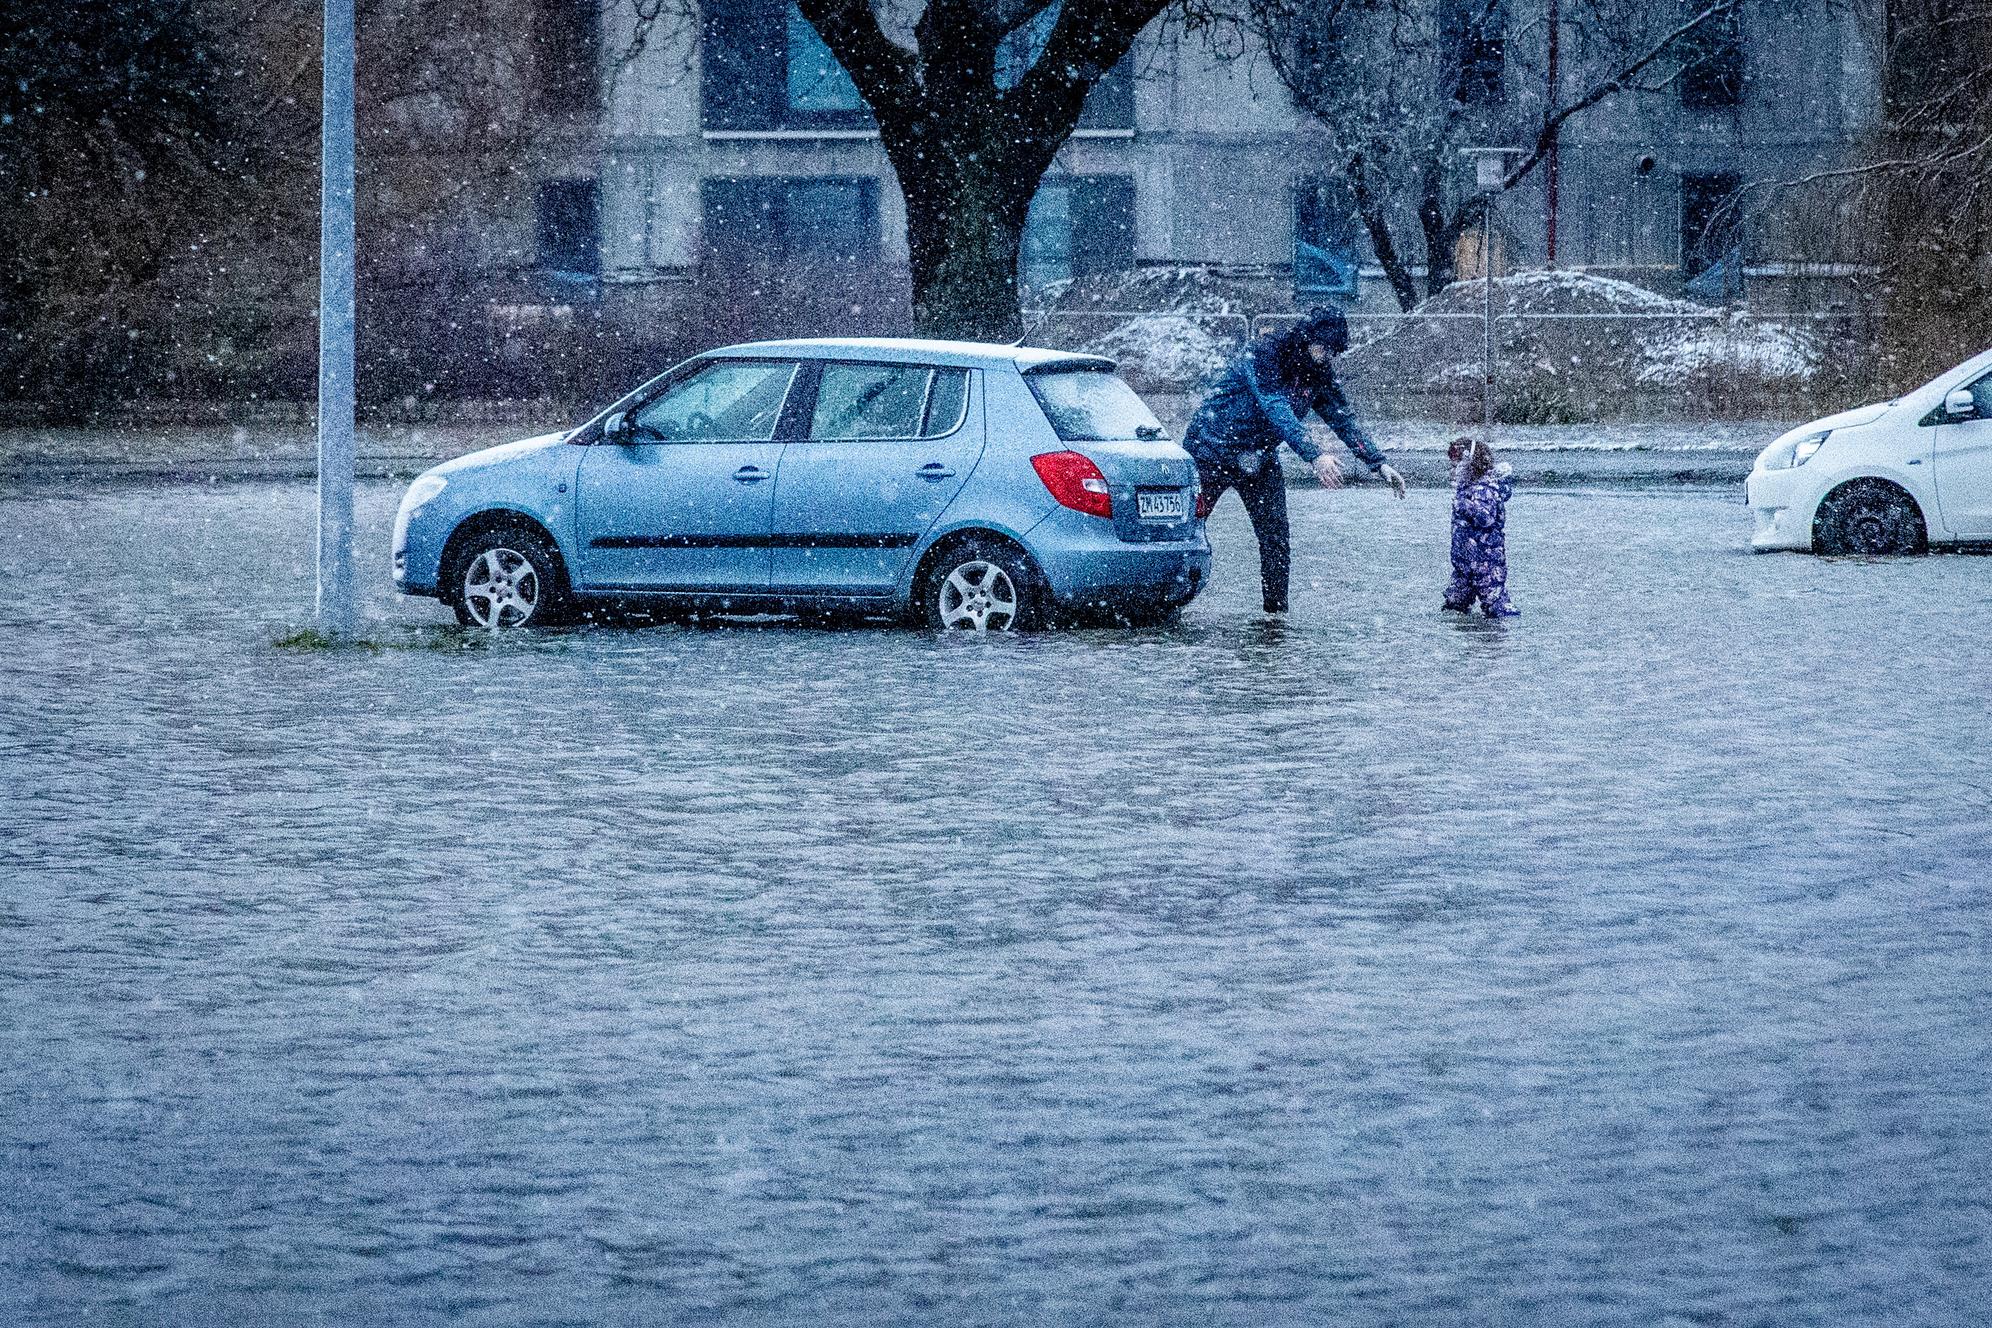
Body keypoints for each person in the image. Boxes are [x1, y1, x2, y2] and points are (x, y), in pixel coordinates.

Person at [1184, 307, 1407, 614]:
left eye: (1334, 351)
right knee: (1187, 531)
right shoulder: (1264, 353)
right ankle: (1167, 602)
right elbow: (1275, 407)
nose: (1328, 355)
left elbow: (1342, 419)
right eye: (1325, 347)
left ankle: (1275, 615)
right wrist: (1314, 455)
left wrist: (1378, 463)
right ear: (1310, 338)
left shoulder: (1318, 373)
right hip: (1212, 451)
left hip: (1259, 456)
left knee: (1276, 539)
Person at [1443, 436, 1519, 617]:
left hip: (1487, 563)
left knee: (1495, 604)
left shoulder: (1484, 489)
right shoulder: (1465, 490)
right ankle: (1459, 629)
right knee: (1455, 603)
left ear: (1471, 465)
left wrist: (1464, 505)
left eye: (1456, 466)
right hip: (1464, 563)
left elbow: (1486, 518)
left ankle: (1498, 634)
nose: (1453, 471)